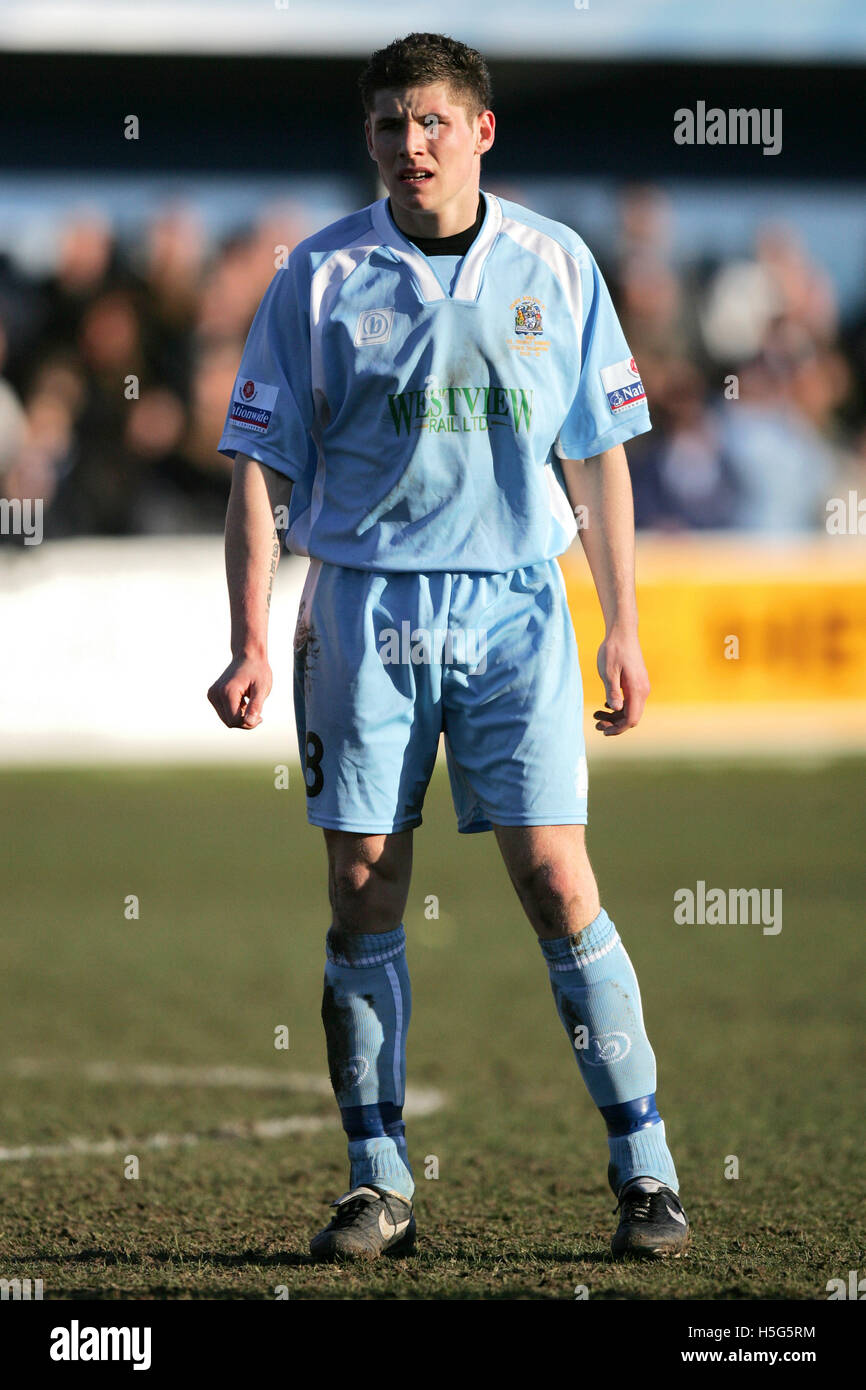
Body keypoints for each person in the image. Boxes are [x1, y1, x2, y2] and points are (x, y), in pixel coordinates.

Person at [208, 31, 689, 1264]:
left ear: (480, 131)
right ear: (367, 140)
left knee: (554, 879)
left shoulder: (557, 261)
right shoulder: (314, 278)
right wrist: (247, 636)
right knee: (362, 883)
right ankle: (378, 1183)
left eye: (430, 122)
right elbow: (259, 471)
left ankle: (646, 1173)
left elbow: (597, 454)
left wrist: (620, 621)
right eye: (387, 125)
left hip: (515, 610)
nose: (408, 145)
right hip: (362, 609)